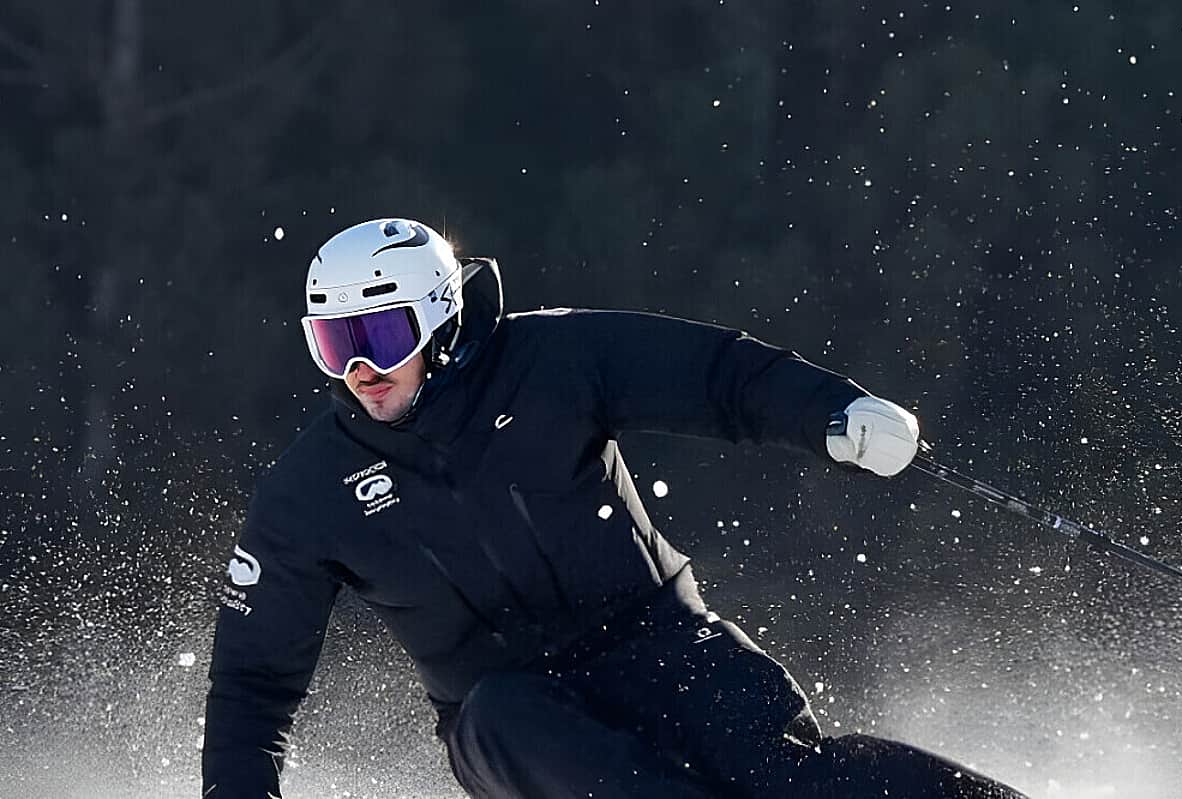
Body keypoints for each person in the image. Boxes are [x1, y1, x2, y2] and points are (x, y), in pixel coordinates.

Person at [202, 218, 1028, 798]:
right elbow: (252, 685)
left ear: (442, 320)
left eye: (378, 338)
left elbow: (716, 375)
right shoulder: (309, 489)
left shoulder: (554, 361)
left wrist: (833, 412)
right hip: (511, 718)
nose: (359, 371)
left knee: (785, 776)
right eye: (332, 344)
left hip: (659, 642)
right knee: (541, 737)